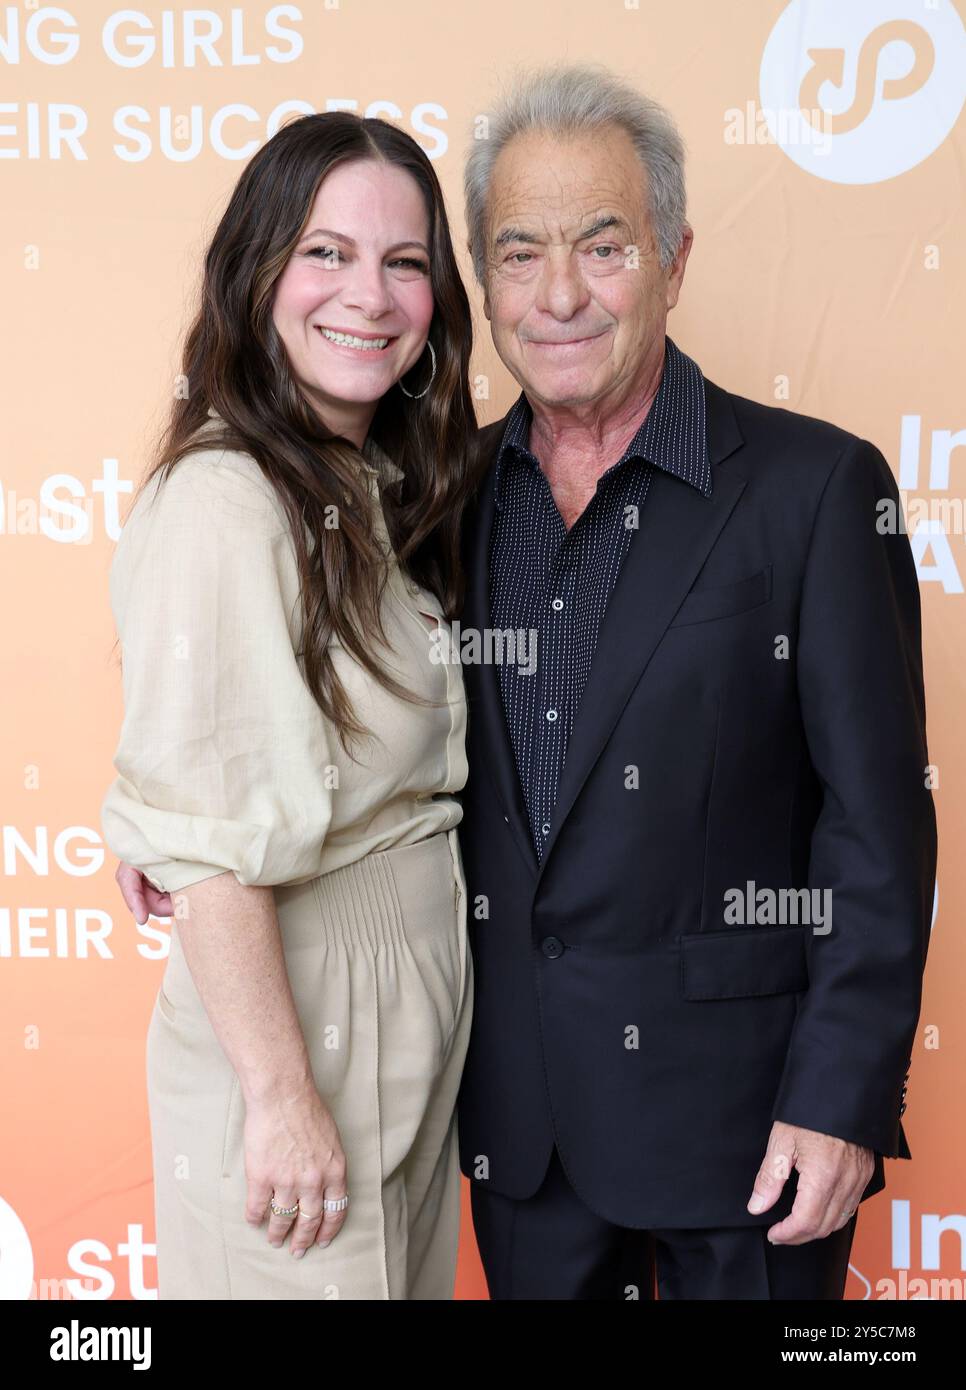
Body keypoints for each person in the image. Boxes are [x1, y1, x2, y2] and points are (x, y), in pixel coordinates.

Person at [453, 62, 935, 1299]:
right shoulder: (439, 506)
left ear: (673, 256)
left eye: (603, 245)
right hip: (524, 1136)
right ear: (480, 276)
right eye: (519, 253)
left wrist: (842, 1098)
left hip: (756, 1142)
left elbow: (876, 827)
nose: (559, 294)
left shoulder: (816, 490)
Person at [100, 110, 477, 1299]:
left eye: (403, 260)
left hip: (400, 992)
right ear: (256, 273)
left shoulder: (368, 481)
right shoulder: (225, 499)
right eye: (325, 252)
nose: (368, 294)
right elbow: (212, 848)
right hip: (310, 1009)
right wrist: (279, 1092)